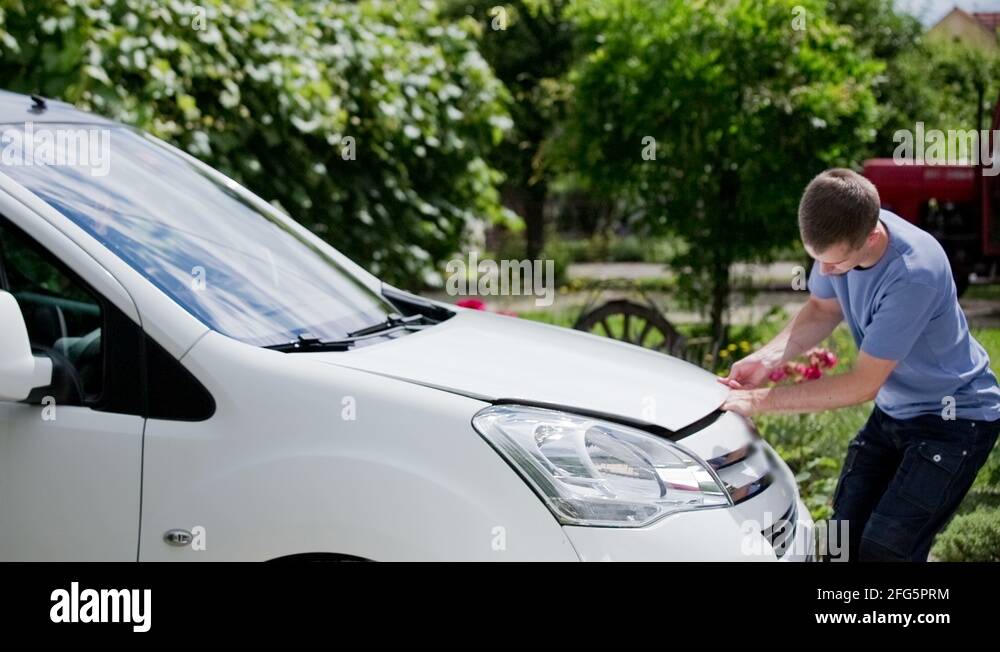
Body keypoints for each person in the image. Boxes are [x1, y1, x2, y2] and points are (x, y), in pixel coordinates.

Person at [720, 168, 1000, 561]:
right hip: (894, 411)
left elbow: (861, 385)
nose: (826, 272)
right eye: (818, 261)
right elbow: (821, 308)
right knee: (840, 544)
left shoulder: (913, 273)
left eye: (835, 264)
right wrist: (765, 359)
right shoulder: (840, 235)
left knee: (884, 552)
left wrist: (760, 400)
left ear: (871, 237)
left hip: (955, 421)